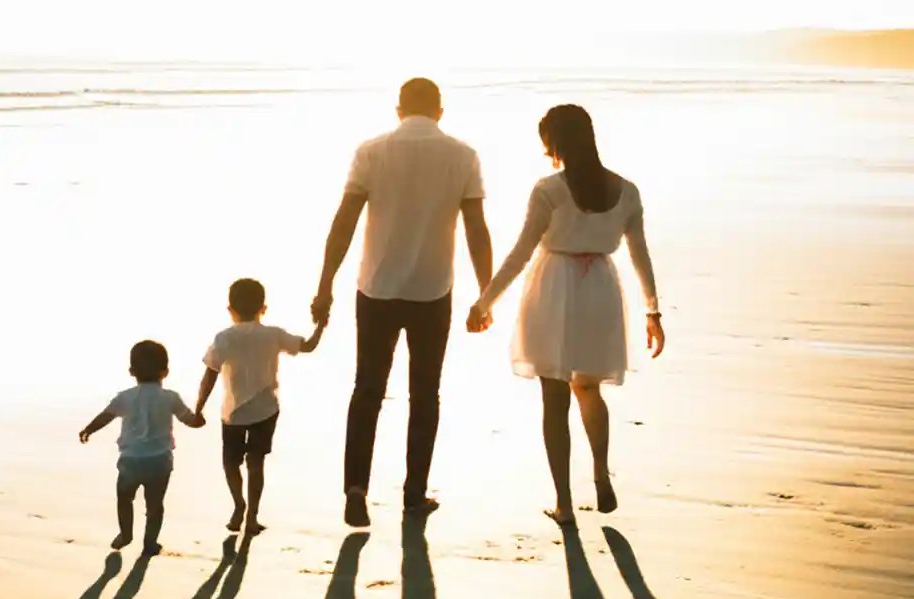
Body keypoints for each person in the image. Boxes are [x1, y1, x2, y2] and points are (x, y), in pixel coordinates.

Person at [467, 104, 665, 525]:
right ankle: (600, 473)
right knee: (589, 390)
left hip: (554, 287)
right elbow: (639, 254)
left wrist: (485, 302)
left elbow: (521, 253)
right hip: (600, 292)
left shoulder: (549, 190)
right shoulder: (627, 191)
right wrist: (653, 310)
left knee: (554, 399)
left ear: (555, 143)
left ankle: (565, 503)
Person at [312, 78, 493, 528]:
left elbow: (343, 223)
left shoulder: (371, 152)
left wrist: (324, 285)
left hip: (376, 288)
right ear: (440, 110)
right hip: (432, 291)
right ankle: (414, 493)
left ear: (398, 110)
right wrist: (486, 294)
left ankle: (356, 489)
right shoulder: (463, 155)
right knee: (424, 394)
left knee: (367, 390)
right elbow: (476, 229)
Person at [196, 279, 326, 534]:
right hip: (266, 410)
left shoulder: (224, 338)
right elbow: (308, 346)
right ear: (263, 308)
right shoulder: (273, 334)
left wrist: (199, 407)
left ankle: (238, 506)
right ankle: (252, 517)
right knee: (256, 463)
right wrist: (321, 324)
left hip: (233, 413)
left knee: (230, 463)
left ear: (230, 308)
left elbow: (210, 374)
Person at [80, 340, 205, 555]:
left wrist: (88, 430)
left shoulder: (125, 397)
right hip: (159, 461)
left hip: (131, 460)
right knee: (155, 506)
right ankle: (150, 543)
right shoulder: (170, 398)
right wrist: (199, 419)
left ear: (131, 371)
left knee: (124, 498)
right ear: (165, 371)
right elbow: (189, 420)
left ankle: (125, 534)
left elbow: (106, 416)